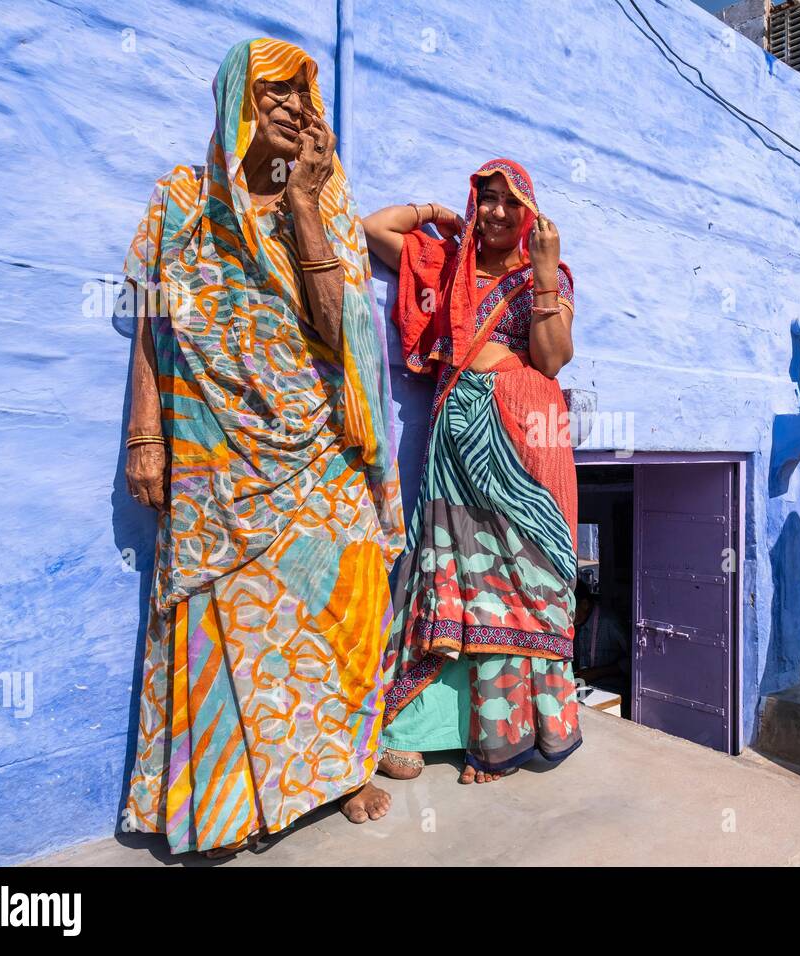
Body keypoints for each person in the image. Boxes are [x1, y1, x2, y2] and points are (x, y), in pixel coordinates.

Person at [120, 38, 404, 857]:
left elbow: (339, 328)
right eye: (273, 91)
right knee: (226, 621)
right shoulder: (183, 201)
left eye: (302, 96)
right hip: (216, 458)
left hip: (322, 448)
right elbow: (152, 325)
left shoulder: (328, 202)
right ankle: (222, 800)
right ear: (236, 99)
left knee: (346, 609)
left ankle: (341, 769)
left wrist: (305, 205)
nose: (292, 107)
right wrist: (146, 433)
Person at [361, 158, 582, 784]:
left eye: (510, 201)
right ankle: (428, 731)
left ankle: (504, 740)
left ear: (529, 213)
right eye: (486, 198)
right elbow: (372, 229)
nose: (495, 211)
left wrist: (541, 273)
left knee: (524, 586)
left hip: (526, 447)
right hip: (456, 445)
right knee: (453, 583)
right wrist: (436, 215)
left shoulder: (551, 277)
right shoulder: (447, 264)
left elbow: (552, 358)